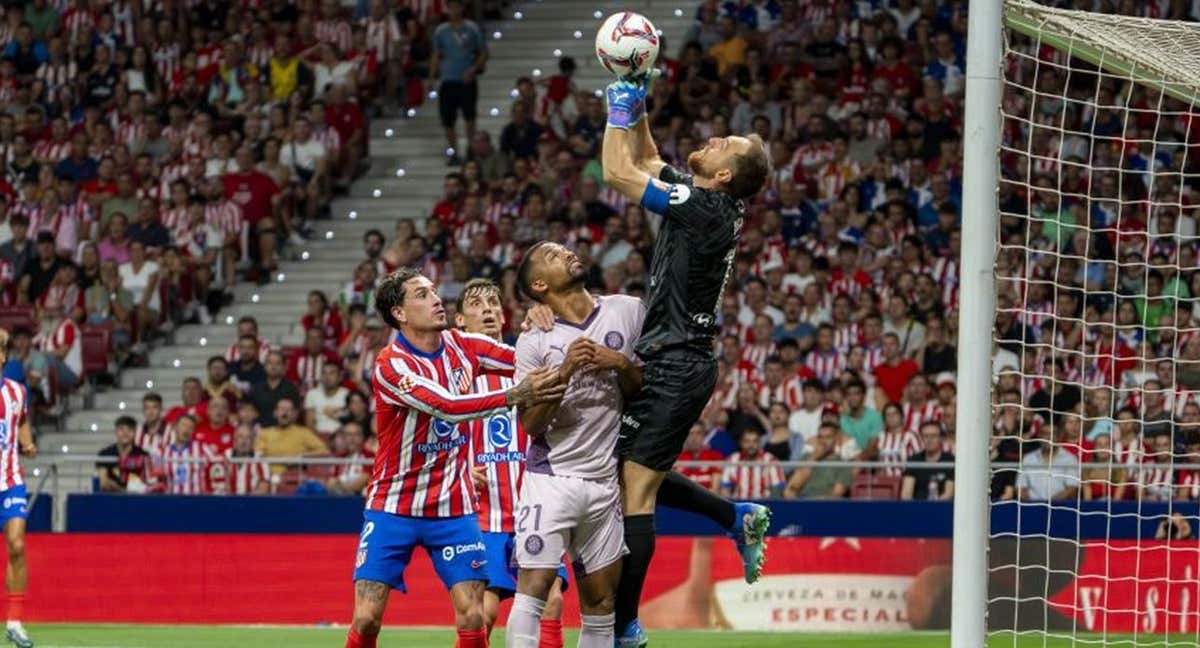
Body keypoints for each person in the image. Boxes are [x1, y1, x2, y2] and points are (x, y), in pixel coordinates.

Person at [597, 72, 772, 645]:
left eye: (725, 145)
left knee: (635, 489)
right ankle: (735, 517)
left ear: (723, 176)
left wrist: (616, 111)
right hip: (665, 357)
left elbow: (618, 172)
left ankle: (624, 627)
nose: (713, 139)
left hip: (680, 363)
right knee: (626, 471)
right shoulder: (702, 199)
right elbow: (647, 159)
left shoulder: (708, 208)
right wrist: (639, 103)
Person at [344, 268, 564, 648]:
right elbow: (446, 406)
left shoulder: (464, 345)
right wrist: (515, 395)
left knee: (474, 615)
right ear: (399, 313)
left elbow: (527, 362)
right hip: (393, 505)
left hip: (454, 506)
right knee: (366, 619)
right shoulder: (391, 364)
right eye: (422, 294)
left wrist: (545, 330)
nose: (436, 299)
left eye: (434, 291)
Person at [505, 241, 645, 648]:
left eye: (565, 249)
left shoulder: (628, 310)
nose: (567, 253)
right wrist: (564, 371)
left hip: (604, 482)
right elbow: (531, 425)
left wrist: (620, 363)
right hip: (551, 479)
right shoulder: (534, 340)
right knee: (533, 590)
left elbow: (647, 390)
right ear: (539, 284)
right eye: (553, 256)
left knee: (601, 603)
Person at [454, 278, 567, 645]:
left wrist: (546, 317)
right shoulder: (457, 378)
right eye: (476, 304)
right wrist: (459, 470)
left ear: (504, 316)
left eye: (493, 303)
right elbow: (436, 433)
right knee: (482, 614)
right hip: (484, 516)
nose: (487, 310)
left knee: (551, 602)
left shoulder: (525, 363)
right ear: (459, 320)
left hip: (534, 508)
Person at [0, 328, 36, 648]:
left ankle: (14, 620)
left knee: (17, 544)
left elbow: (22, 420)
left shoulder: (16, 392)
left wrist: (27, 442)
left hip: (10, 479)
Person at [430, 0, 487, 166]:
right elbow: (436, 54)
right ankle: (453, 151)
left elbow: (483, 52)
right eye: (451, 7)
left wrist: (473, 69)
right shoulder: (441, 31)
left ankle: (471, 151)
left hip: (466, 80)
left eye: (457, 6)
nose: (454, 10)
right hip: (448, 80)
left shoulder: (472, 28)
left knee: (469, 117)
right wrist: (432, 77)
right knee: (448, 120)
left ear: (462, 8)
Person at [900, 421, 956, 501]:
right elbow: (906, 494)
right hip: (916, 506)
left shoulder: (949, 461)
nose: (929, 440)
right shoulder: (914, 460)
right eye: (926, 436)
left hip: (942, 507)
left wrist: (931, 507)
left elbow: (948, 494)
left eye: (933, 436)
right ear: (922, 438)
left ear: (941, 438)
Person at [96, 415, 152, 493]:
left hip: (137, 497)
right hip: (111, 497)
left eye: (130, 430)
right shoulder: (104, 454)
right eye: (121, 429)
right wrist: (125, 492)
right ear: (115, 432)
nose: (125, 433)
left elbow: (147, 482)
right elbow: (104, 483)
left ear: (135, 432)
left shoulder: (143, 455)